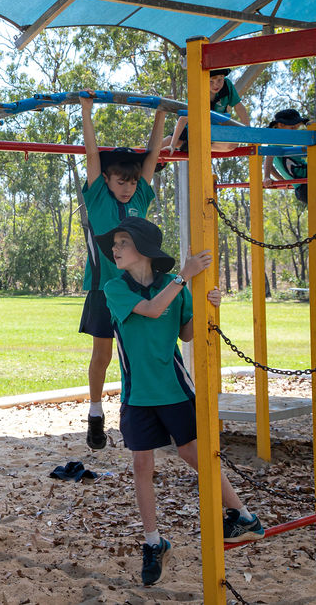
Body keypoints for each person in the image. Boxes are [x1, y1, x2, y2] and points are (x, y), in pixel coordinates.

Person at [95, 217, 264, 586]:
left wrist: (208, 305)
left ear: (142, 249)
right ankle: (154, 542)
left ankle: (243, 516)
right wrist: (183, 277)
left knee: (193, 453)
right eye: (115, 243)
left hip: (174, 390)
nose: (115, 249)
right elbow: (153, 309)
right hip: (137, 394)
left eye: (122, 242)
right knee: (142, 464)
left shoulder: (176, 289)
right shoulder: (115, 287)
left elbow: (187, 333)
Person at [78, 92, 166, 450]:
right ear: (107, 181)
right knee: (103, 353)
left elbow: (152, 157)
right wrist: (87, 112)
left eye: (131, 183)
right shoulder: (98, 197)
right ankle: (96, 414)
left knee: (141, 351)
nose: (127, 188)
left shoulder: (141, 198)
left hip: (135, 288)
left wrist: (161, 115)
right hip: (103, 289)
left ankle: (142, 410)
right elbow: (92, 155)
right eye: (120, 182)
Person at [164, 68, 251, 152]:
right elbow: (183, 119)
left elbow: (238, 106)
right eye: (211, 81)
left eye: (220, 80)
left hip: (213, 130)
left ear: (224, 78)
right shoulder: (198, 93)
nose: (216, 85)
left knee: (232, 145)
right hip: (192, 127)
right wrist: (172, 145)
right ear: (203, 80)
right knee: (164, 145)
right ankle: (188, 146)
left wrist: (247, 129)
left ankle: (198, 147)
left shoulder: (227, 86)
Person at [262, 108, 310, 204]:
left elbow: (271, 165)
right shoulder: (277, 141)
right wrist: (266, 177)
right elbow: (268, 159)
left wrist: (282, 179)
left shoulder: (286, 142)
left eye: (297, 128)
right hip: (304, 183)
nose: (294, 131)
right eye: (292, 128)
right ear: (280, 125)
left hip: (304, 181)